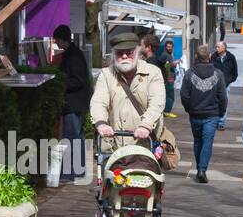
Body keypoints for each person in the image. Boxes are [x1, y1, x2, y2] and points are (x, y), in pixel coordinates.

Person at [90, 31, 166, 157]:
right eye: (120, 53)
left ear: (137, 52)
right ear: (114, 54)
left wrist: (146, 126)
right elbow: (99, 101)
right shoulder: (106, 74)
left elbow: (157, 103)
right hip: (113, 147)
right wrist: (101, 122)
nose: (124, 56)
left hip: (143, 145)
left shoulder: (153, 72)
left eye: (129, 52)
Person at [180, 43, 227, 183]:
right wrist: (221, 112)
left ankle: (199, 167)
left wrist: (190, 108)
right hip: (212, 114)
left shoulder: (189, 74)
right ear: (210, 56)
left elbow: (184, 95)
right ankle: (202, 169)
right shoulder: (218, 74)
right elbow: (223, 97)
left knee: (197, 141)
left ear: (196, 56)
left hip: (195, 114)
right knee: (207, 142)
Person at [53, 25, 91, 181]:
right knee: (77, 137)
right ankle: (79, 171)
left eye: (57, 40)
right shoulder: (74, 53)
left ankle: (69, 173)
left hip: (73, 103)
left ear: (63, 39)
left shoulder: (73, 56)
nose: (56, 43)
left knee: (71, 137)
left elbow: (78, 79)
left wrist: (61, 82)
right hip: (77, 103)